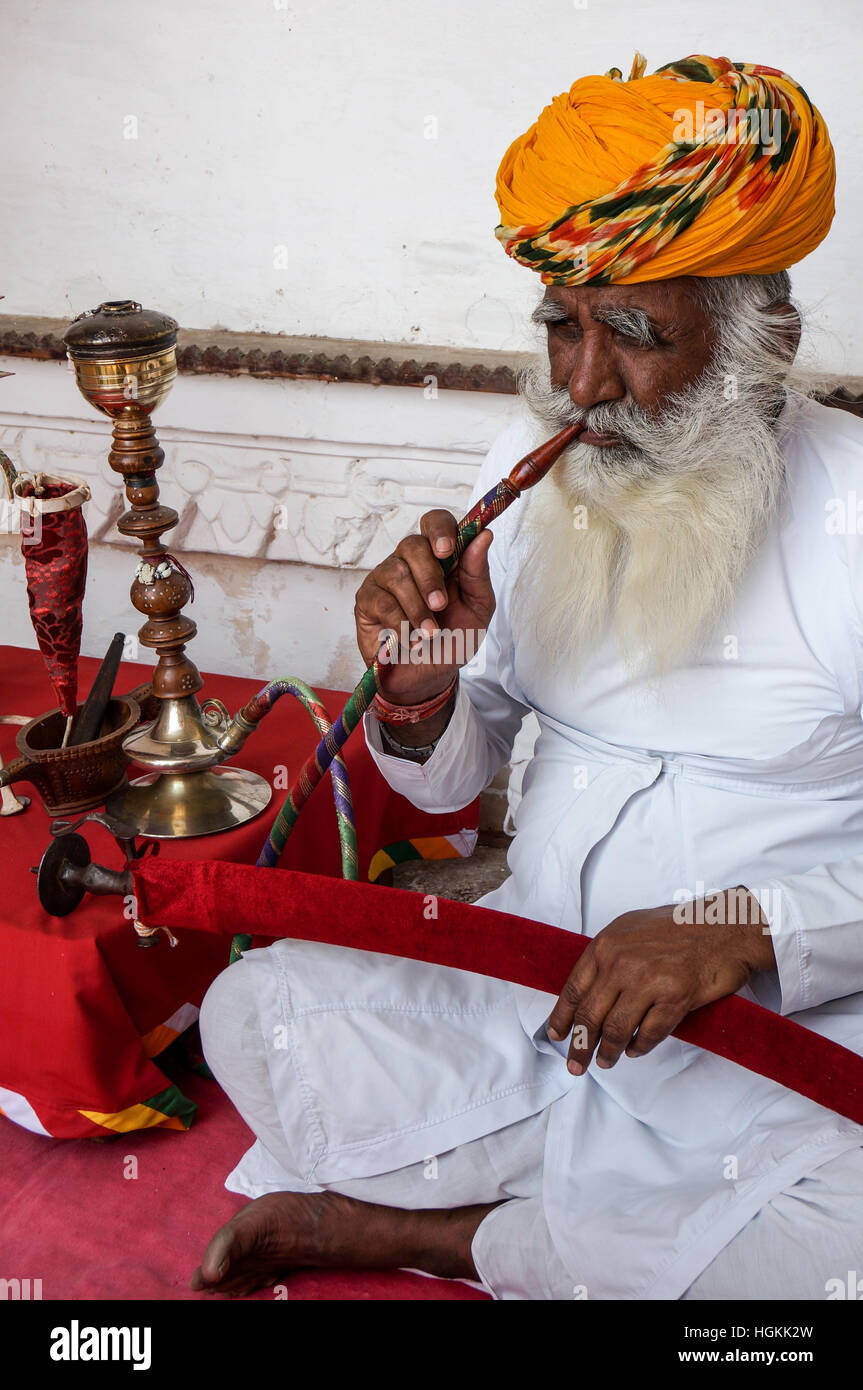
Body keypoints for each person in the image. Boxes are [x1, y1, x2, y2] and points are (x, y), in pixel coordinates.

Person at [193, 53, 863, 1300]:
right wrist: (418, 678)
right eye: (561, 322)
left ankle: (446, 1237)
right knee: (259, 1014)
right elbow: (461, 764)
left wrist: (733, 929)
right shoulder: (532, 459)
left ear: (758, 339)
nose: (580, 384)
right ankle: (599, 1216)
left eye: (631, 334)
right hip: (535, 980)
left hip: (783, 1029)